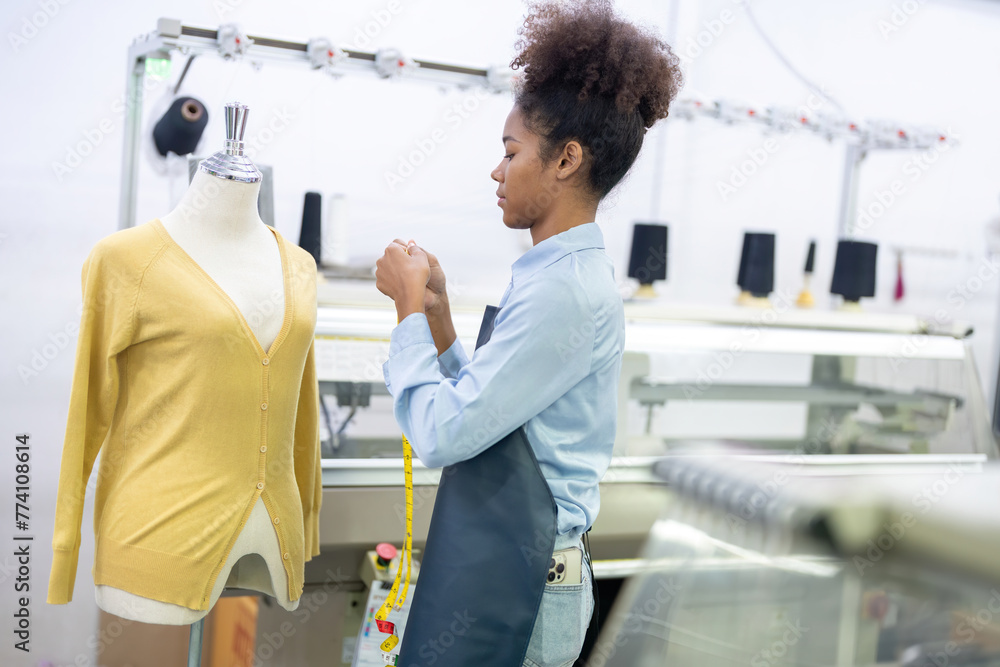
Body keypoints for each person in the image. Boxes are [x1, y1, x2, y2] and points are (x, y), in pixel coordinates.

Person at [374, 1, 682, 664]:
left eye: (511, 152)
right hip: (516, 570)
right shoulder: (550, 275)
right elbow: (495, 416)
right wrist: (437, 317)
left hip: (527, 585)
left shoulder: (565, 291)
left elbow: (443, 432)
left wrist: (403, 310)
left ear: (567, 159)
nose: (497, 170)